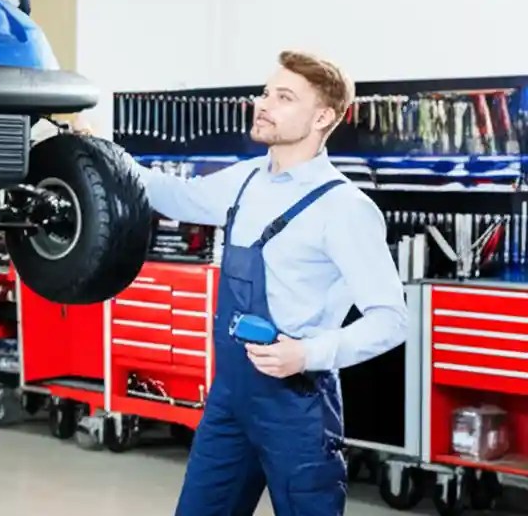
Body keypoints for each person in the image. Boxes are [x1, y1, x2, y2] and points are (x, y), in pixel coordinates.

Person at [123, 51, 409, 515]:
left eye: (283, 97)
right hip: (230, 397)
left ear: (322, 117)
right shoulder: (245, 181)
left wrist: (308, 354)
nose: (263, 104)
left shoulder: (344, 209)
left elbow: (391, 320)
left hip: (296, 407)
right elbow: (171, 194)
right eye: (264, 92)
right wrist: (103, 155)